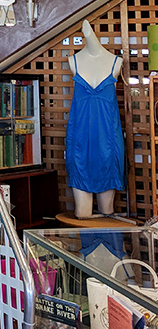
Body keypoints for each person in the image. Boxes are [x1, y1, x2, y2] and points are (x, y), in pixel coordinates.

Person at [66, 20, 125, 218]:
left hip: (107, 144)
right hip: (79, 143)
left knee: (107, 213)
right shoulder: (73, 61)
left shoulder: (116, 62)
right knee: (82, 215)